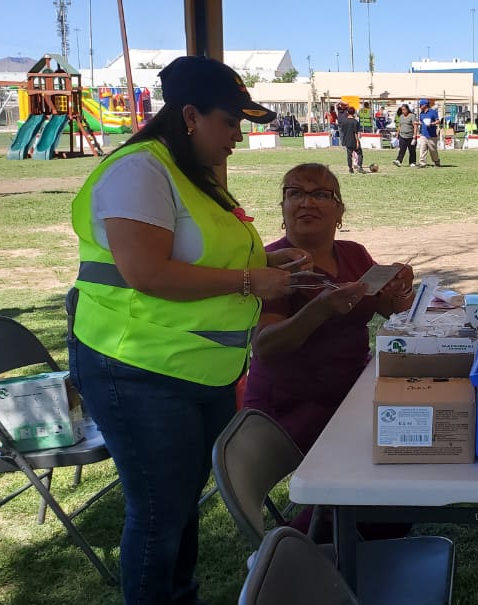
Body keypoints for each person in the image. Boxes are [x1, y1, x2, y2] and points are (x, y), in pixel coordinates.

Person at [66, 55, 296, 605]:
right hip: (136, 367)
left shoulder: (193, 176)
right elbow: (146, 272)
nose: (237, 137)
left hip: (196, 369)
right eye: (230, 122)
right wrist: (249, 281)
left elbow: (204, 253)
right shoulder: (139, 171)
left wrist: (270, 266)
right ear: (190, 115)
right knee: (158, 512)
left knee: (180, 501)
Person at [244, 162, 414, 453]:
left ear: (340, 212)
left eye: (321, 195)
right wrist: (319, 311)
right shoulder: (271, 262)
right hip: (291, 407)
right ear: (283, 207)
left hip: (353, 392)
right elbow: (264, 346)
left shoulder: (353, 253)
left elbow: (392, 310)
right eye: (295, 193)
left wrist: (402, 286)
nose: (307, 202)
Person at [416, 98, 442, 168]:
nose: (420, 106)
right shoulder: (421, 113)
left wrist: (432, 124)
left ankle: (436, 162)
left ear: (425, 105)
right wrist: (418, 123)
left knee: (433, 150)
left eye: (421, 105)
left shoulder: (433, 112)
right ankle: (422, 163)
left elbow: (438, 121)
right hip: (423, 134)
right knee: (422, 149)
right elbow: (422, 122)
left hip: (432, 135)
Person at [338, 107, 364, 174]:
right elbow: (356, 133)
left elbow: (342, 131)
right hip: (354, 140)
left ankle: (350, 169)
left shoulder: (344, 121)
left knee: (349, 155)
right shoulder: (355, 122)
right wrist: (357, 141)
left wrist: (343, 141)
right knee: (359, 153)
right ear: (354, 113)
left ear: (347, 112)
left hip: (347, 140)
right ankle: (359, 166)